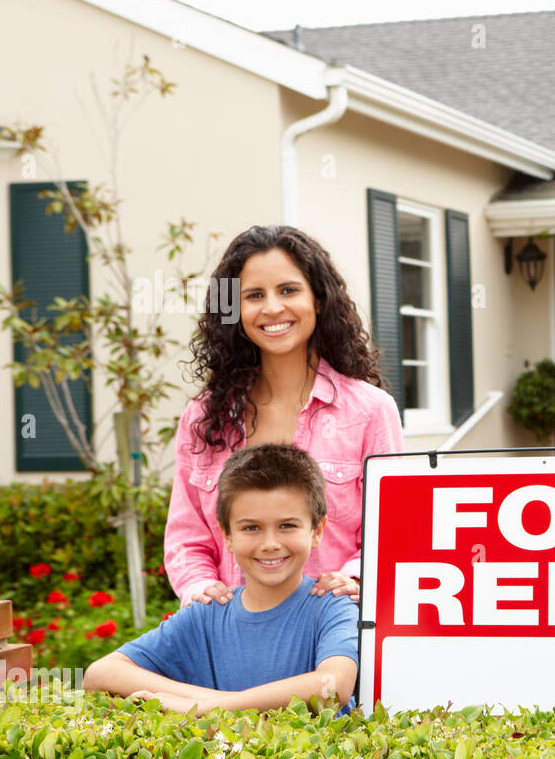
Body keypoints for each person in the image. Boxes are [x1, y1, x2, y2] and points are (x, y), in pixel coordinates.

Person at [166, 225, 404, 608]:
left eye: (288, 290)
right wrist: (199, 589)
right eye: (254, 295)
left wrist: (354, 578)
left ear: (319, 300)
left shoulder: (371, 411)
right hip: (229, 634)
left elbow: (394, 533)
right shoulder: (204, 416)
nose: (273, 308)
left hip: (333, 632)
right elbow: (186, 537)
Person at [85, 444, 359, 714]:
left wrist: (206, 707)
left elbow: (334, 685)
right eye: (251, 527)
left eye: (287, 525)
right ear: (227, 536)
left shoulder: (333, 606)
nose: (270, 543)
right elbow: (100, 673)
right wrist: (209, 700)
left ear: (317, 530)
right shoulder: (207, 614)